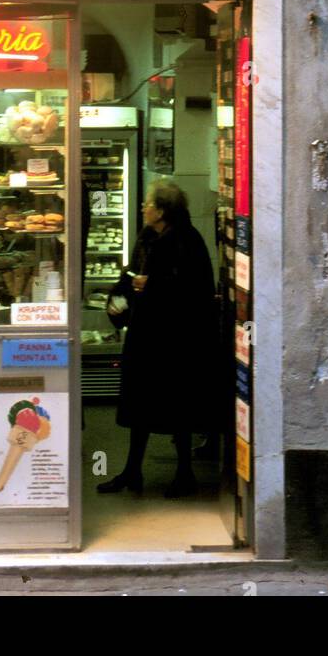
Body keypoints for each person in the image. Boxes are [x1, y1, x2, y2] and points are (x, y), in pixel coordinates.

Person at [98, 179, 218, 498]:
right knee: (140, 405)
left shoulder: (187, 241)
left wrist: (149, 287)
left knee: (177, 406)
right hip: (146, 336)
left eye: (148, 203)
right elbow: (131, 273)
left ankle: (184, 474)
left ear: (162, 210)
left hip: (177, 340)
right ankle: (132, 471)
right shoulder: (148, 236)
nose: (143, 207)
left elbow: (196, 292)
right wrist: (119, 294)